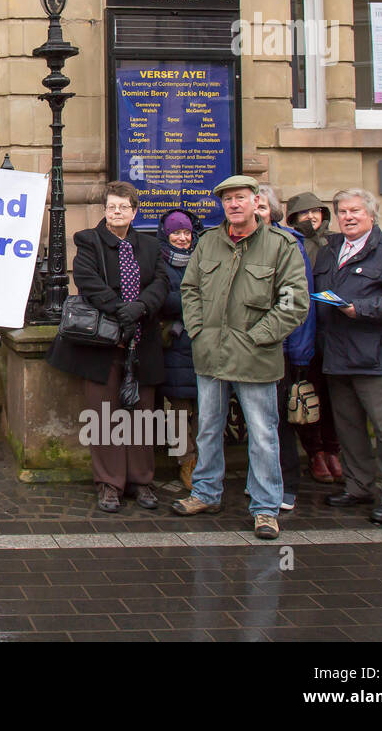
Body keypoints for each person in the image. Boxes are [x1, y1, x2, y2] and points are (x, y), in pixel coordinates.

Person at [172, 175, 308, 541]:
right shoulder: (210, 242)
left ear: (255, 201)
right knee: (208, 429)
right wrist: (198, 330)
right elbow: (190, 289)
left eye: (240, 198)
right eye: (227, 199)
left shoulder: (281, 245)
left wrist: (259, 337)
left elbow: (294, 301)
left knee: (263, 435)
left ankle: (265, 508)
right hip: (211, 355)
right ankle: (205, 493)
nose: (233, 204)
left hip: (256, 358)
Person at [47, 182, 169, 514]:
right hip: (104, 343)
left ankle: (141, 480)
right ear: (105, 210)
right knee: (105, 416)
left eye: (123, 207)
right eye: (111, 207)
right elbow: (86, 281)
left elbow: (161, 283)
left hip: (142, 343)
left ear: (134, 211)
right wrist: (120, 310)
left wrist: (140, 308)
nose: (117, 212)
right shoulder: (88, 241)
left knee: (142, 415)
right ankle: (109, 482)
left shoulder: (150, 246)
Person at [314, 188, 382, 525]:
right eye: (343, 211)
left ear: (371, 215)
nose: (348, 217)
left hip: (376, 357)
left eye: (355, 211)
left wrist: (361, 309)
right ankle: (358, 485)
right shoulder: (330, 250)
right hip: (337, 354)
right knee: (348, 428)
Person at [254, 185, 316, 513]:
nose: (255, 212)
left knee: (278, 422)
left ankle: (286, 485)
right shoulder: (235, 243)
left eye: (261, 207)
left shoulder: (290, 245)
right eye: (251, 206)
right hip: (244, 351)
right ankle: (261, 483)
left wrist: (299, 354)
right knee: (257, 421)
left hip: (280, 348)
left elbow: (299, 305)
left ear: (273, 211)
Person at [284, 189, 342, 484]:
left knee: (334, 400)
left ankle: (334, 450)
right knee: (306, 395)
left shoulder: (336, 243)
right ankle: (315, 452)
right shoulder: (291, 245)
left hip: (336, 334)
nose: (311, 218)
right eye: (304, 213)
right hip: (304, 333)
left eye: (315, 212)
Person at [156, 207, 202, 490]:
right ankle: (186, 461)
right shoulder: (160, 263)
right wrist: (196, 300)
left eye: (186, 232)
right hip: (175, 345)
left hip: (201, 344)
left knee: (205, 409)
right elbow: (164, 299)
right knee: (178, 409)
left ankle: (204, 461)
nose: (182, 238)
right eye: (176, 233)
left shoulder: (202, 258)